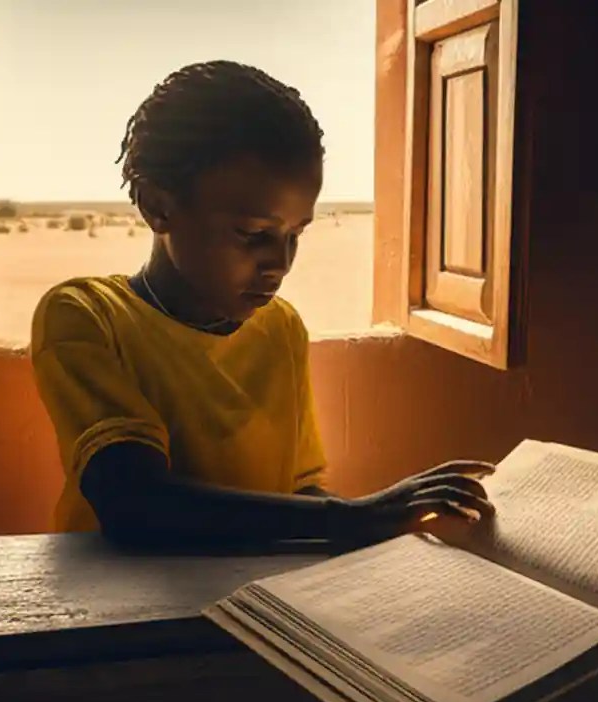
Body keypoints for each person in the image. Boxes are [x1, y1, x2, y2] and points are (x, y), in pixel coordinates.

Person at [30, 60, 493, 549]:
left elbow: (299, 492)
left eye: (296, 234)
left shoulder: (280, 326)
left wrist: (383, 535)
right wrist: (356, 517)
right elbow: (136, 504)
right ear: (157, 207)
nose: (281, 263)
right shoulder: (86, 316)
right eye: (253, 235)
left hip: (256, 601)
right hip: (118, 610)